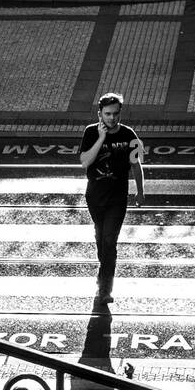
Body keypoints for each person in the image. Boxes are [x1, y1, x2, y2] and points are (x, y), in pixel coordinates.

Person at [79, 93, 145, 305]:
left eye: (116, 113)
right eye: (107, 114)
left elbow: (136, 164)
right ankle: (103, 270)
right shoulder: (90, 132)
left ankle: (106, 288)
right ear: (100, 114)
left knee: (110, 241)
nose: (112, 118)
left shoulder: (128, 134)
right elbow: (85, 162)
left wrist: (140, 191)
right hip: (95, 196)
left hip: (117, 197)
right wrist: (101, 138)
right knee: (100, 238)